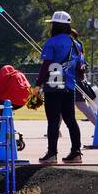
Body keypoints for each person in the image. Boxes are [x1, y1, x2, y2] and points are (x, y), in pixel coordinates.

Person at [35, 11, 83, 165]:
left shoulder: (51, 42)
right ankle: (76, 152)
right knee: (71, 120)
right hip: (69, 85)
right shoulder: (77, 44)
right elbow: (81, 68)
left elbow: (46, 65)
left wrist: (38, 84)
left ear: (55, 25)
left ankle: (52, 154)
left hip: (54, 85)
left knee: (53, 121)